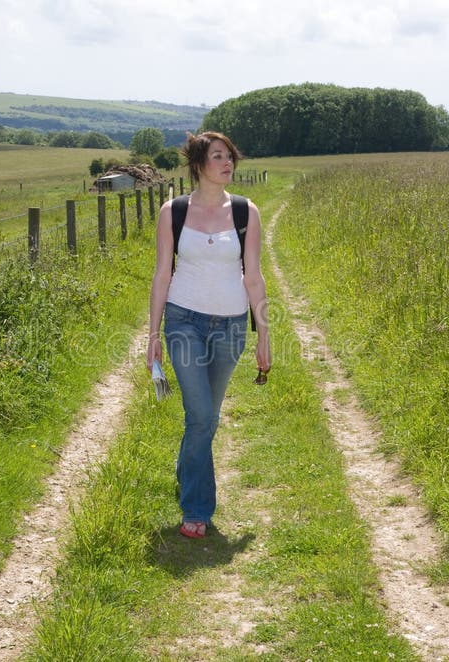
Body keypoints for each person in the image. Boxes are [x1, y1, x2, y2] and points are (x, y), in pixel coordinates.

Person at [146, 131, 271, 539]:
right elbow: (162, 273)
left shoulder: (245, 211)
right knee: (200, 415)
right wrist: (153, 336)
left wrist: (263, 334)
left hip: (231, 325)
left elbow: (253, 276)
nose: (227, 163)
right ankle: (197, 509)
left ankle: (186, 470)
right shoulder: (173, 211)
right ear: (199, 165)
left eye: (230, 156)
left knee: (207, 418)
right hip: (183, 320)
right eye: (218, 156)